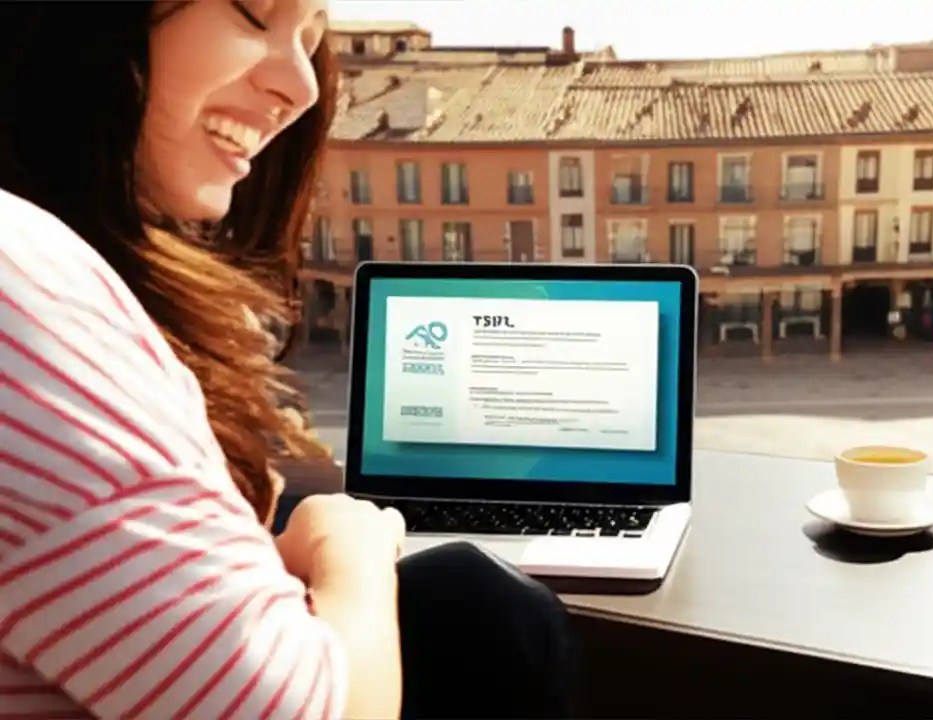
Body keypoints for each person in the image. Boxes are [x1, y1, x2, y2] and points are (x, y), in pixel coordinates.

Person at [0, 2, 576, 718]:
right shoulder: (24, 288)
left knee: (479, 597)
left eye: (310, 40)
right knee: (493, 612)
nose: (302, 88)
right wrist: (348, 541)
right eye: (254, 13)